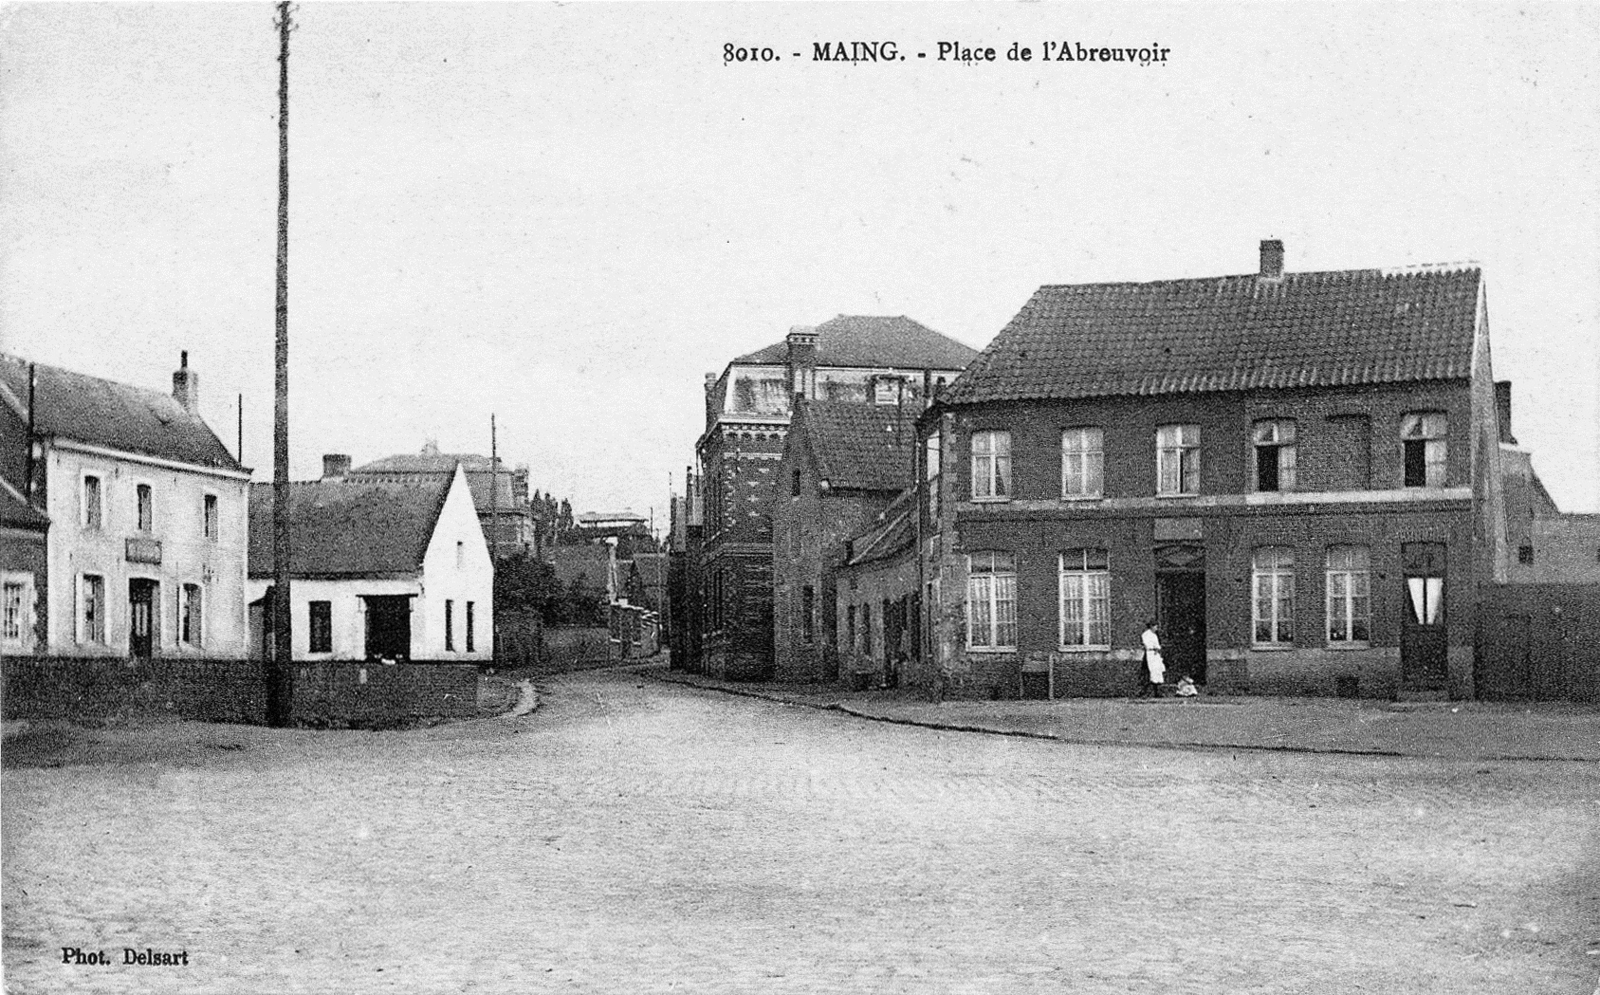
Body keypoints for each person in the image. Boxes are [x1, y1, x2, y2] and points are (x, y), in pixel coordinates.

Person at [1140, 620, 1165, 697]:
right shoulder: (1146, 634)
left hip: (1155, 655)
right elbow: (1147, 644)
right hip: (1149, 654)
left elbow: (1157, 645)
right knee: (1149, 673)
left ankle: (1157, 692)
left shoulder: (1154, 635)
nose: (1156, 628)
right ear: (1151, 626)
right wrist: (1153, 648)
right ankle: (1145, 692)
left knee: (1157, 672)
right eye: (1155, 626)